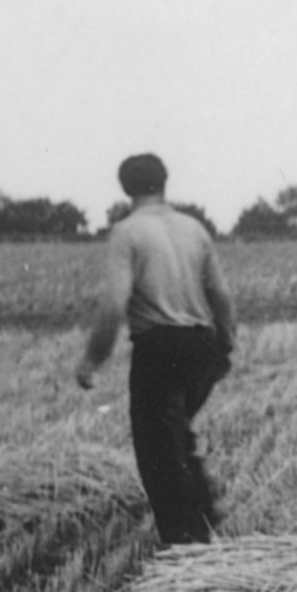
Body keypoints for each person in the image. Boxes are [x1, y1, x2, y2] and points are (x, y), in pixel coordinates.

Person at [75, 154, 237, 547]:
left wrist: (92, 359)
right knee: (175, 437)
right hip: (202, 344)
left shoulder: (127, 233)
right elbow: (221, 295)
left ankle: (187, 546)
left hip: (160, 346)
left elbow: (114, 304)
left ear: (124, 187)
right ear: (165, 181)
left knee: (158, 453)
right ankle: (204, 524)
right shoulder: (192, 228)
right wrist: (226, 345)